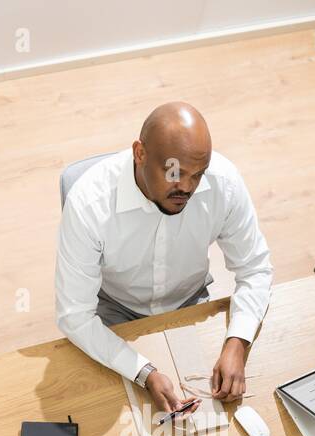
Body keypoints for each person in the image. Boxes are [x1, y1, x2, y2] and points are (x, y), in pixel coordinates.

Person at [55, 101, 273, 413]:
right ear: (140, 153)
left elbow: (255, 269)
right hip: (115, 310)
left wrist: (238, 341)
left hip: (190, 301)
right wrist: (144, 372)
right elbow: (74, 315)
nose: (186, 187)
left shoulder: (223, 183)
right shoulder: (89, 204)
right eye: (174, 172)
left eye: (198, 174)